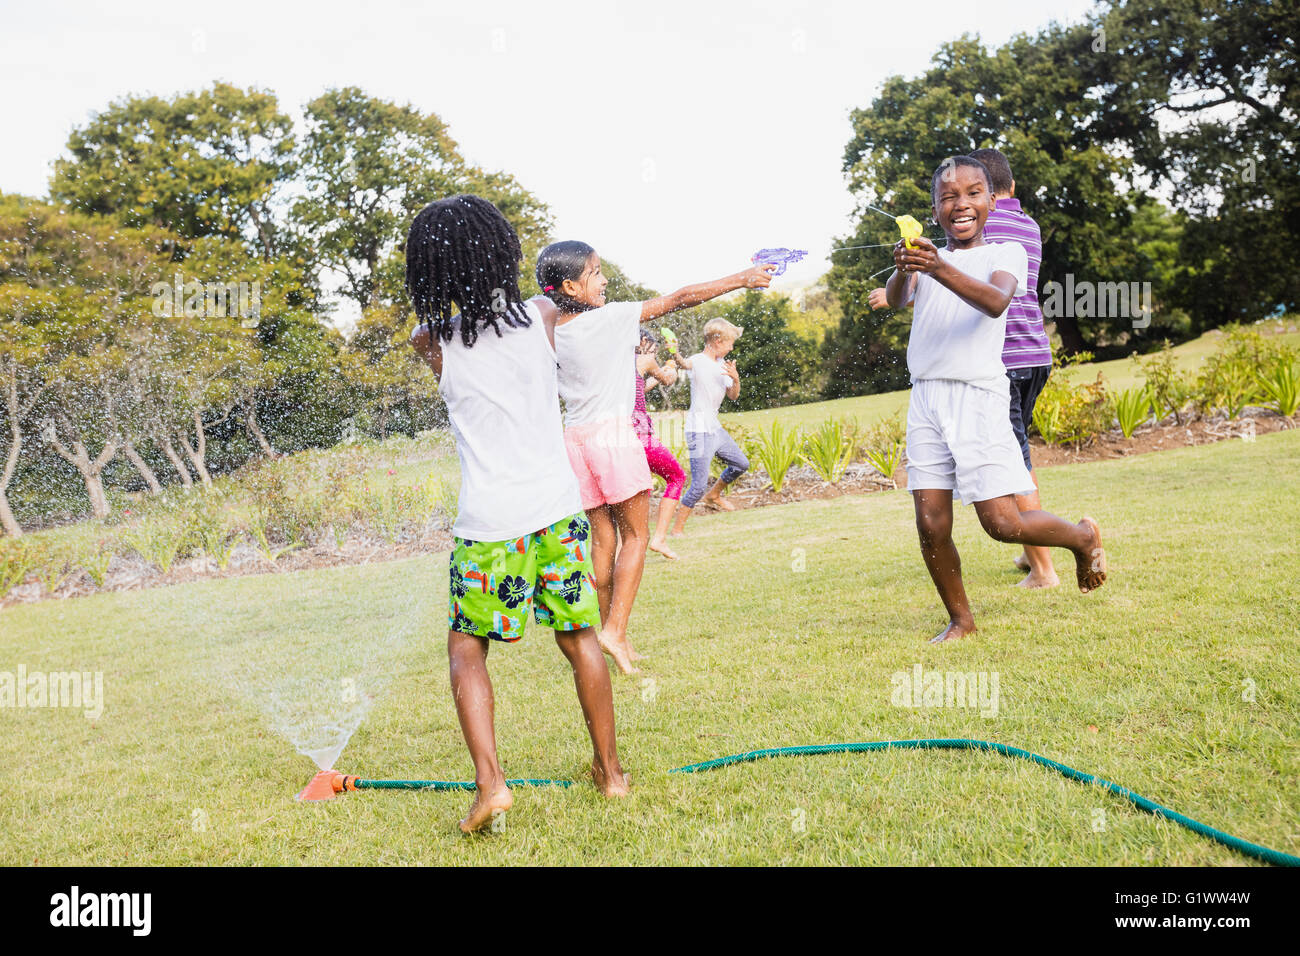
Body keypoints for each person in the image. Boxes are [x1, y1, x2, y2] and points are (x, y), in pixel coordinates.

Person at [404, 196, 628, 833]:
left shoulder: (430, 340)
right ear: (504, 254)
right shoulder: (543, 314)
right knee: (578, 636)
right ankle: (611, 775)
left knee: (466, 649)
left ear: (431, 273)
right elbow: (571, 297)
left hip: (489, 524)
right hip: (557, 512)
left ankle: (492, 787)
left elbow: (450, 338)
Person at [883, 157, 1107, 643]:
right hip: (926, 397)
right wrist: (904, 269)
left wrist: (938, 266)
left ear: (990, 200)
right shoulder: (925, 259)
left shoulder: (1006, 251)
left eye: (972, 193)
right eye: (948, 197)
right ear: (935, 209)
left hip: (978, 396)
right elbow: (898, 298)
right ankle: (961, 620)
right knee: (930, 521)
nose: (960, 204)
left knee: (1002, 524)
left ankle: (1082, 538)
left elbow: (995, 301)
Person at [537, 241, 774, 672]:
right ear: (571, 285)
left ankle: (612, 639)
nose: (605, 279)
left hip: (574, 442)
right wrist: (741, 278)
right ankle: (616, 631)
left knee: (603, 541)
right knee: (637, 537)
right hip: (613, 437)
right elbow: (680, 298)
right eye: (595, 272)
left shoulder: (549, 332)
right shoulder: (607, 320)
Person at [968, 147, 1057, 588]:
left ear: (980, 192)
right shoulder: (1028, 224)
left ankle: (1044, 569)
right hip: (1036, 353)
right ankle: (1030, 553)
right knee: (1019, 451)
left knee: (1014, 463)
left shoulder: (981, 226)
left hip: (1004, 363)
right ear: (1014, 187)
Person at [671, 318, 749, 536]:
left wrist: (735, 378)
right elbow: (682, 363)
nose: (732, 347)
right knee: (697, 485)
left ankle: (714, 496)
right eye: (729, 342)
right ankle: (677, 529)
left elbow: (733, 396)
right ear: (716, 340)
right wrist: (675, 352)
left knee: (741, 463)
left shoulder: (722, 365)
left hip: (715, 429)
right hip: (698, 430)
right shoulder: (697, 360)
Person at [634, 330, 688, 559]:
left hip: (613, 439)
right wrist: (671, 368)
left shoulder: (615, 364)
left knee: (634, 490)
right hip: (639, 436)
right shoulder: (643, 359)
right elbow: (668, 379)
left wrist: (658, 373)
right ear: (643, 342)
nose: (653, 356)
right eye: (653, 351)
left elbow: (640, 387)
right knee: (677, 477)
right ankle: (659, 538)